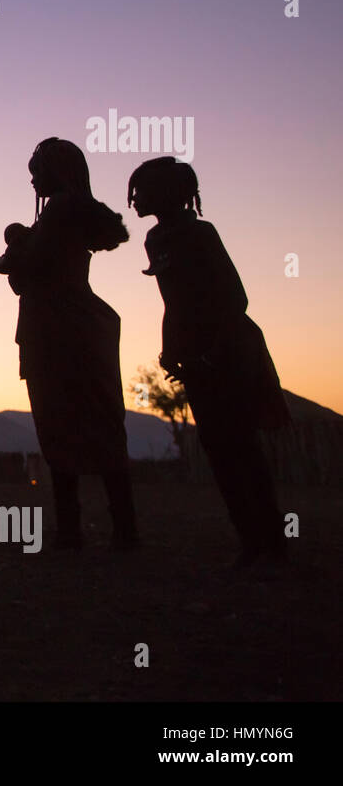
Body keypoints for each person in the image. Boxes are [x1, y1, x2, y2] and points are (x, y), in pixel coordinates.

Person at [128, 157, 290, 565]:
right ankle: (252, 541)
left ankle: (272, 540)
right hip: (197, 355)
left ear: (166, 192)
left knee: (241, 444)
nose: (134, 199)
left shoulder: (200, 234)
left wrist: (213, 353)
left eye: (142, 191)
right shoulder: (155, 239)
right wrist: (171, 348)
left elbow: (235, 299)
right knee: (218, 445)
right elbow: (172, 301)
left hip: (230, 348)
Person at [0, 138, 138, 550]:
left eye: (37, 170)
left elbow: (28, 267)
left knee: (61, 422)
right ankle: (117, 528)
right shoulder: (66, 213)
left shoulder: (59, 211)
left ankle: (76, 529)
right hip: (69, 323)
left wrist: (16, 248)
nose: (32, 179)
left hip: (58, 326)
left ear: (56, 171)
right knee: (94, 423)